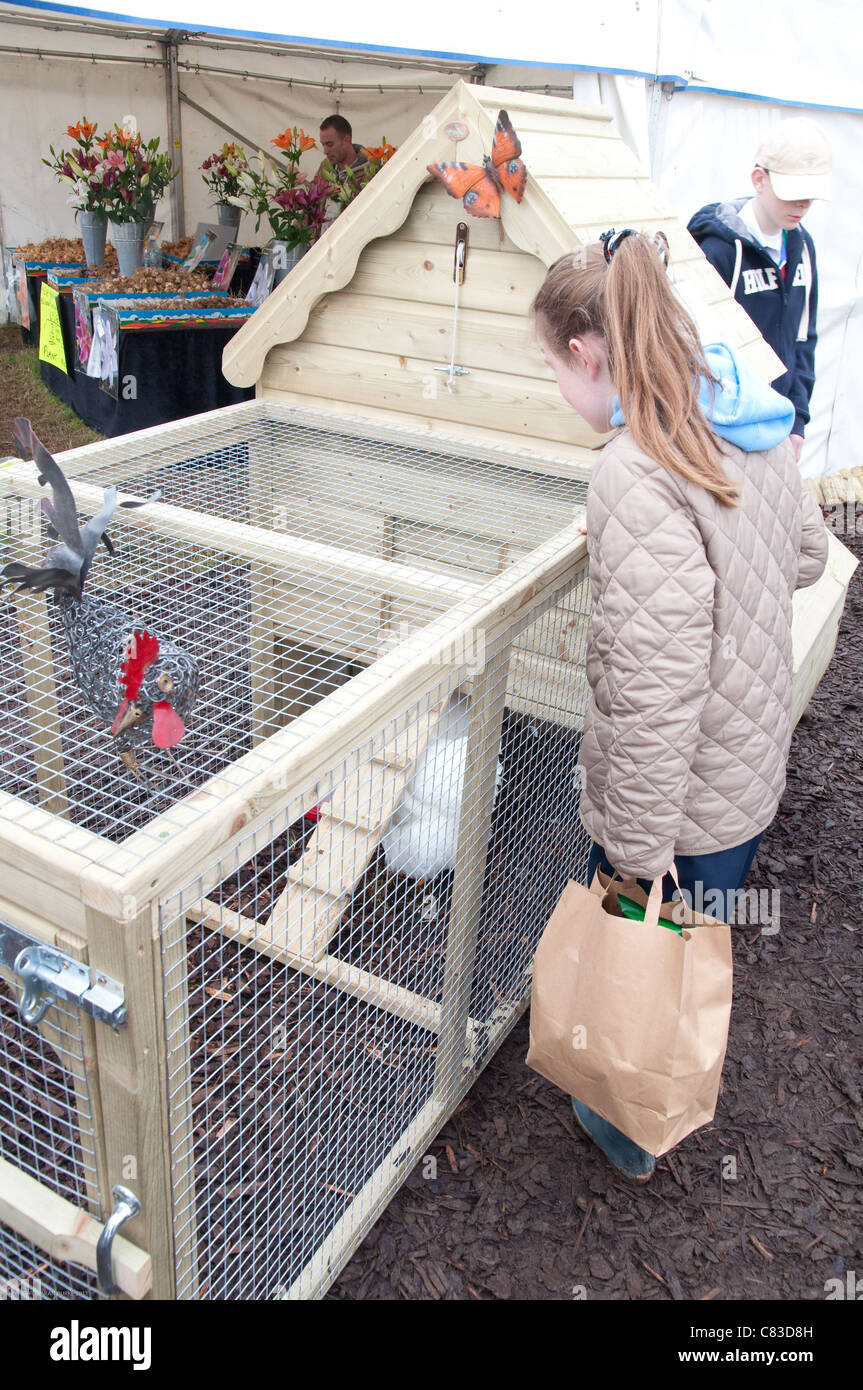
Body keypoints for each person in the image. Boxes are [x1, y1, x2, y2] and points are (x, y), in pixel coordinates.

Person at [531, 229, 828, 1181]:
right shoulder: (744, 416)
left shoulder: (634, 468)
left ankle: (621, 1129)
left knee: (643, 967)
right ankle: (651, 1094)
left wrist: (634, 851)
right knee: (693, 948)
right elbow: (809, 556)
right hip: (742, 774)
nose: (562, 394)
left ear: (586, 352)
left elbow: (656, 697)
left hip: (677, 800)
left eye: (555, 371)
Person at [687, 118, 832, 463]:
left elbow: (802, 341)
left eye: (810, 195)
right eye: (793, 193)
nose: (802, 205)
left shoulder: (804, 248)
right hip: (723, 430)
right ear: (759, 180)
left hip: (777, 424)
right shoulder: (719, 251)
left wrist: (797, 420)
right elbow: (694, 347)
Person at [317, 114, 368, 182]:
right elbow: (314, 189)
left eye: (330, 144)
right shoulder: (325, 166)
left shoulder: (369, 171)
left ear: (347, 140)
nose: (325, 151)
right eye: (323, 145)